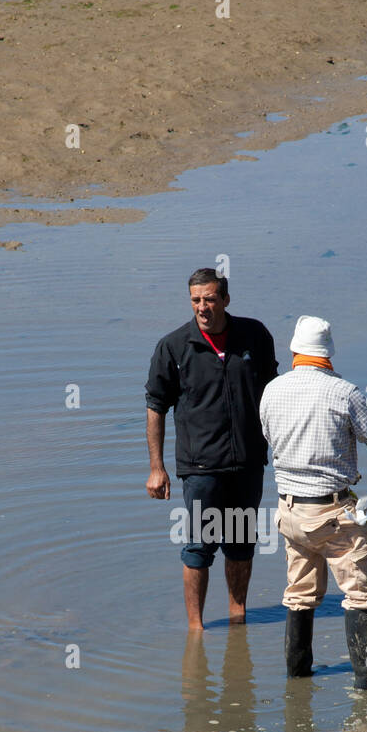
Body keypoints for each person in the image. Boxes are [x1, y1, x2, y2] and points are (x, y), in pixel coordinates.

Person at [259, 315, 367, 689]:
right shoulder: (343, 392)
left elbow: (268, 435)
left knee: (299, 595)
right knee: (365, 592)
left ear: (296, 351)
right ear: (328, 355)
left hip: (290, 511)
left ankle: (297, 676)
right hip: (332, 513)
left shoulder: (272, 391)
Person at [145, 269, 278, 630]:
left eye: (209, 299)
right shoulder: (174, 347)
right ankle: (196, 630)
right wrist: (156, 467)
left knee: (241, 545)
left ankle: (238, 618)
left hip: (248, 463)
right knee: (199, 548)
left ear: (225, 299)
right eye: (195, 300)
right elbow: (155, 405)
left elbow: (274, 394)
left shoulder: (255, 336)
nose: (202, 307)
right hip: (201, 467)